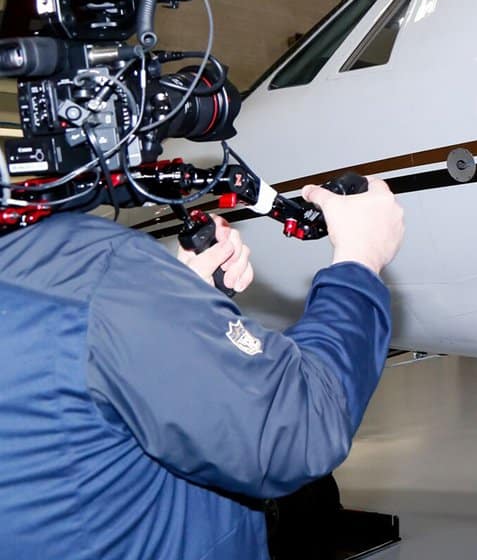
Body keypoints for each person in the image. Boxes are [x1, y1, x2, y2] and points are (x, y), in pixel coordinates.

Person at [0, 178, 405, 559]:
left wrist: (171, 307)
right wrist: (359, 259)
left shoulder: (31, 270)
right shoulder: (97, 268)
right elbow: (299, 425)